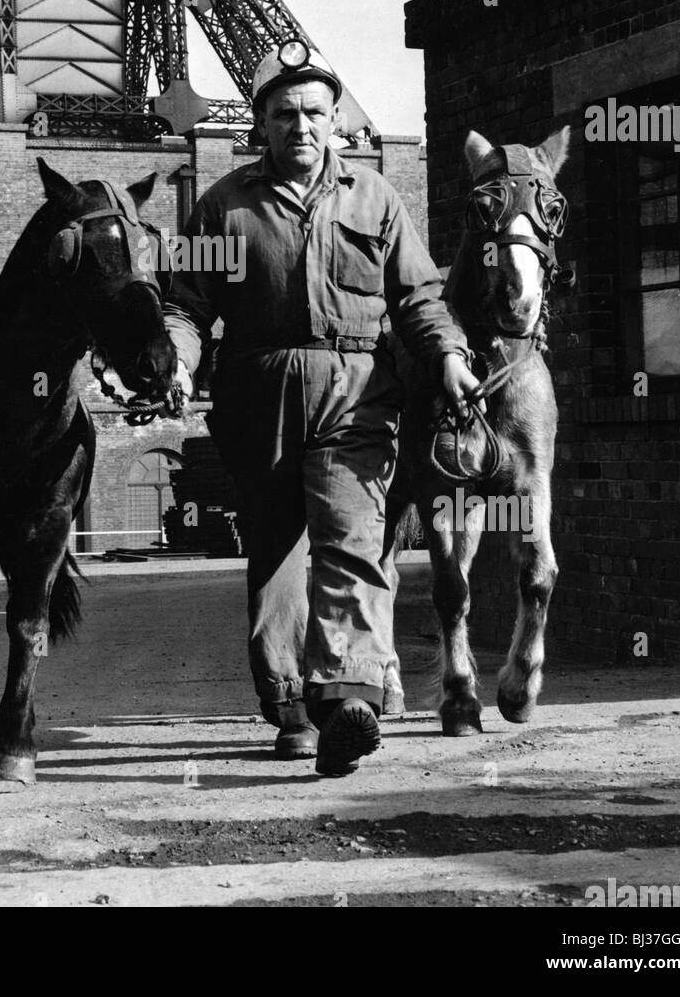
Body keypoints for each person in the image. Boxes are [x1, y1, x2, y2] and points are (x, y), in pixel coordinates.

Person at [163, 41, 483, 776]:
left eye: (313, 112)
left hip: (358, 387)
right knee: (276, 548)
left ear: (335, 119)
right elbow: (185, 305)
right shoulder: (224, 206)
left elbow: (417, 298)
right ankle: (289, 708)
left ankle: (347, 700)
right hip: (257, 389)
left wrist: (450, 358)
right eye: (283, 114)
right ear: (261, 125)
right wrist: (178, 361)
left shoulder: (374, 198)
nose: (299, 126)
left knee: (351, 538)